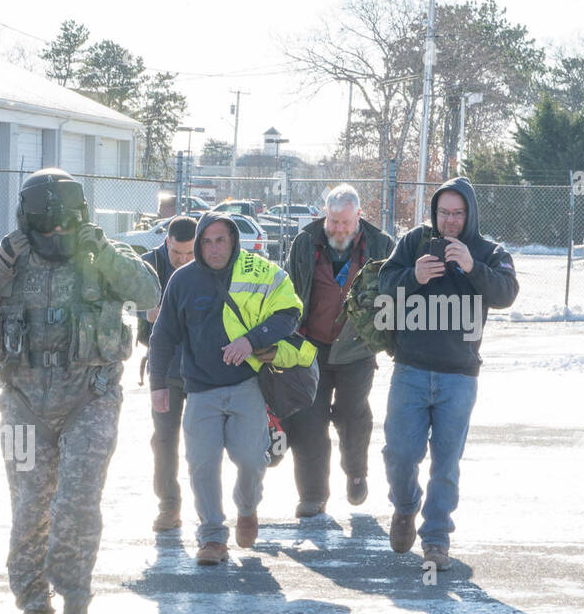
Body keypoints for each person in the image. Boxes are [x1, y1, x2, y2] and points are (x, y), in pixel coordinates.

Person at [0, 168, 160, 614]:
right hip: (23, 405)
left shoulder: (101, 253)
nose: (57, 233)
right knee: (29, 508)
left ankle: (74, 603)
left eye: (65, 223)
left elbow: (149, 293)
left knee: (76, 503)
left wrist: (103, 252)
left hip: (90, 399)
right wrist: (4, 259)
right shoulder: (7, 257)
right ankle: (33, 604)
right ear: (28, 221)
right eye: (47, 225)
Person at [148, 212, 308, 565]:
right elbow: (163, 336)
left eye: (221, 240)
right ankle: (212, 538)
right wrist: (158, 384)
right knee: (202, 464)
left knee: (251, 459)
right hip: (200, 391)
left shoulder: (257, 271)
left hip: (245, 385)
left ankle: (247, 508)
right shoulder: (182, 281)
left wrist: (251, 341)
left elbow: (289, 313)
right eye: (207, 241)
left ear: (233, 242)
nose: (214, 248)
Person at [377, 177, 519, 570]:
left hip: (459, 375)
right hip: (410, 368)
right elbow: (382, 286)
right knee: (400, 454)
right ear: (435, 212)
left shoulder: (489, 250)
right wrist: (414, 277)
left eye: (458, 214)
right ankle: (405, 506)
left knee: (446, 461)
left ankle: (436, 540)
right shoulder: (412, 243)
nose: (450, 222)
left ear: (469, 214)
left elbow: (506, 293)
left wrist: (472, 266)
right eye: (444, 213)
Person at [283, 184, 395, 517]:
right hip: (310, 347)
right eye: (333, 222)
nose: (339, 229)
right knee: (308, 421)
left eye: (345, 222)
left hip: (357, 348)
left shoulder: (381, 245)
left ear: (358, 217)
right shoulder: (305, 243)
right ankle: (313, 495)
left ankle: (356, 471)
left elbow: (394, 294)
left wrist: (388, 337)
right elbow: (289, 291)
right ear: (324, 216)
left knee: (351, 414)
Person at [137, 216, 197, 531]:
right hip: (165, 367)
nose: (184, 261)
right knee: (164, 438)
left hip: (204, 368)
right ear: (166, 243)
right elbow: (129, 306)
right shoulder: (149, 267)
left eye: (190, 254)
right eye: (177, 255)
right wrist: (147, 315)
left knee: (205, 440)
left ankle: (208, 506)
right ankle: (169, 505)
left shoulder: (210, 265)